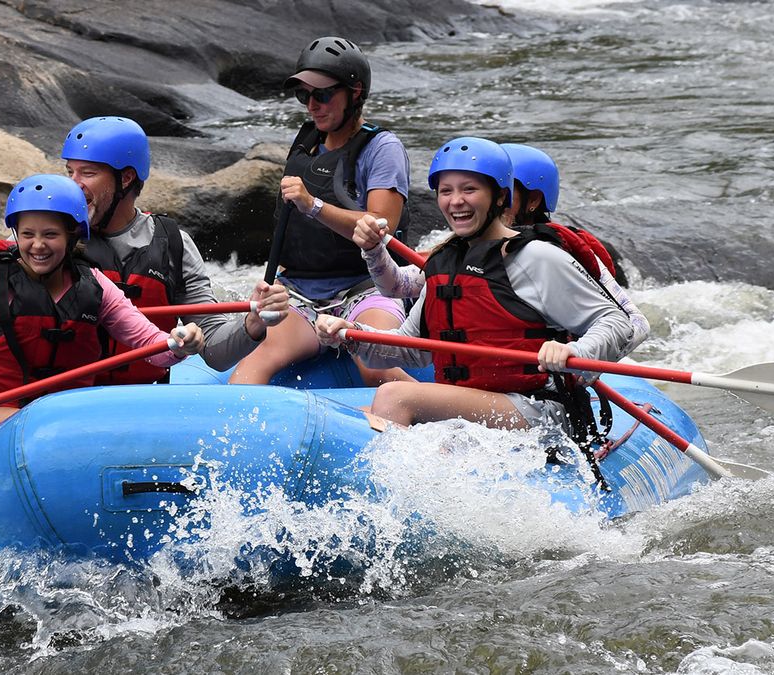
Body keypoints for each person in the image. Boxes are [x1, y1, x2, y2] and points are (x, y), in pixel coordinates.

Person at [315, 137, 634, 465]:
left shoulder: (536, 256)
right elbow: (410, 348)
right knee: (359, 414)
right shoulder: (446, 262)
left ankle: (394, 489)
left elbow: (620, 323)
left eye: (469, 189)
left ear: (500, 197)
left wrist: (576, 351)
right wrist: (351, 334)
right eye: (446, 191)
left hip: (538, 412)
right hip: (476, 405)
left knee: (393, 397)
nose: (456, 201)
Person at [0, 174, 205, 452]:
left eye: (50, 234)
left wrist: (181, 343)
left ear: (72, 235)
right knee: (40, 428)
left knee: (58, 429)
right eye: (27, 234)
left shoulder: (96, 287)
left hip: (65, 426)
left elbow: (153, 347)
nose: (37, 245)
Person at [228, 36, 412, 386]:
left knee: (376, 367)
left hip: (367, 289)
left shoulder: (382, 148)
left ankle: (443, 416)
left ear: (355, 93)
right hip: (299, 291)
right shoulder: (307, 143)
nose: (312, 105)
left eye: (323, 95)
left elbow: (381, 225)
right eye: (304, 95)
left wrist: (313, 205)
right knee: (251, 368)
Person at [352, 142, 649, 358]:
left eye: (477, 188)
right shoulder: (462, 250)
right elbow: (398, 286)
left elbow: (634, 325)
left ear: (530, 200)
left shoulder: (555, 252)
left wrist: (577, 354)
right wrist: (374, 249)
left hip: (551, 376)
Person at [60, 116, 289, 383]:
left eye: (87, 173)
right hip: (66, 397)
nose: (73, 184)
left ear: (126, 178)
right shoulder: (50, 241)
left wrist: (253, 323)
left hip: (145, 395)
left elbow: (216, 352)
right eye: (70, 172)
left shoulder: (173, 244)